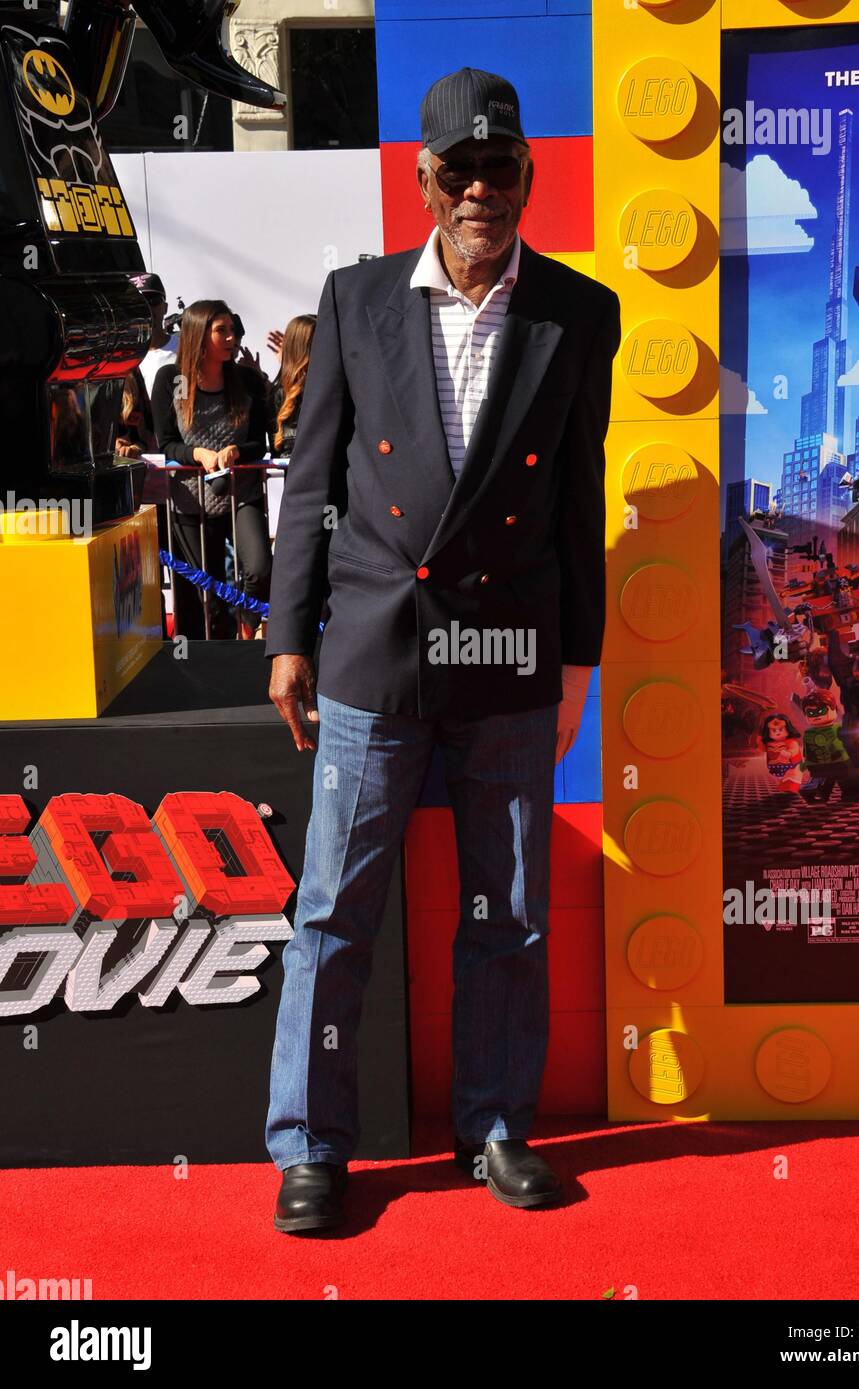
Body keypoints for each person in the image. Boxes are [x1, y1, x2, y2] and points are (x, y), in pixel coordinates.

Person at [264, 67, 621, 1232]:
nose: (478, 188)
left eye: (499, 168)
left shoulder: (578, 311)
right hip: (375, 648)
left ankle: (499, 1125)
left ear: (527, 177)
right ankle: (312, 1145)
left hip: (512, 657)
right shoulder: (356, 299)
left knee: (506, 912)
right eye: (456, 169)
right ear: (420, 179)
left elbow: (576, 499)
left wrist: (577, 663)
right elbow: (309, 481)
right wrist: (286, 635)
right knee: (331, 911)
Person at [151, 299, 272, 640]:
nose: (232, 338)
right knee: (204, 591)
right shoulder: (170, 379)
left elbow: (260, 442)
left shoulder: (245, 379)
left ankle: (247, 627)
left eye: (232, 330)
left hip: (241, 494)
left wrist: (236, 450)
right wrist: (197, 453)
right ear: (198, 334)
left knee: (260, 568)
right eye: (222, 331)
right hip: (191, 499)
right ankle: (212, 663)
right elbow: (167, 443)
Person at [267, 314, 317, 457]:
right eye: (316, 343)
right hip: (297, 475)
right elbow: (278, 449)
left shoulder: (328, 386)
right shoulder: (279, 393)